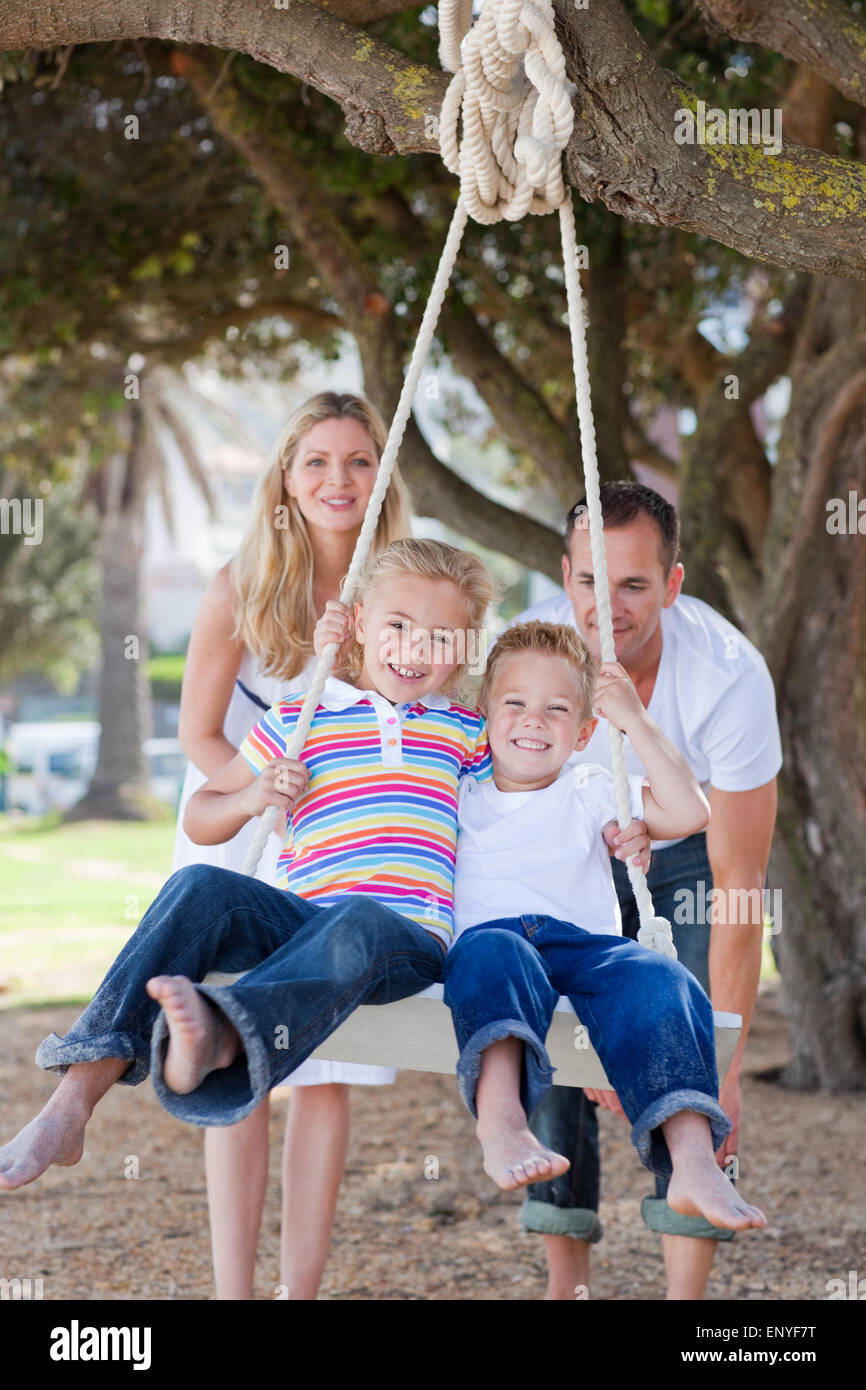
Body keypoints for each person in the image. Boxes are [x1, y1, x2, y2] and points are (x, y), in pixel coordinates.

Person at [0, 541, 492, 1209]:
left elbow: (541, 785)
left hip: (403, 939)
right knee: (201, 886)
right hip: (305, 926)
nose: (414, 647)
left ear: (464, 648)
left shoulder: (468, 730)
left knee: (357, 916)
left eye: (440, 636)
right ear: (357, 626)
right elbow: (203, 816)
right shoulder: (300, 717)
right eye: (398, 625)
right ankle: (70, 1103)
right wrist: (252, 799)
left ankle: (224, 1032)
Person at [514, 482, 781, 1300]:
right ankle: (567, 1285)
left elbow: (740, 886)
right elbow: (508, 832)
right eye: (591, 582)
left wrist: (727, 1062)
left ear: (672, 583)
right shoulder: (525, 658)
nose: (609, 606)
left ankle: (686, 1304)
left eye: (634, 584)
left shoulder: (730, 677)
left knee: (695, 1073)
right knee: (553, 1052)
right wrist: (590, 1027)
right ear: (566, 575)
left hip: (691, 862)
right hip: (572, 863)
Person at [171, 390, 411, 1298]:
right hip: (242, 821)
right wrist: (256, 793)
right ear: (286, 475)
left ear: (381, 477)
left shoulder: (400, 590)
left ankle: (296, 1295)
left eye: (358, 461)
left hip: (346, 830)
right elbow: (199, 738)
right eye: (316, 461)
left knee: (321, 1067)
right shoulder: (239, 585)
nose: (337, 479)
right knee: (236, 1050)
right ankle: (234, 1292)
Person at [442, 621, 765, 1236]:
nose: (533, 720)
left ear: (586, 731)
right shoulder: (455, 790)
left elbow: (691, 811)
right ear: (483, 714)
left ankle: (693, 1161)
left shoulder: (592, 788)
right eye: (515, 703)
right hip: (494, 943)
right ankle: (502, 1120)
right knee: (491, 954)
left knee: (657, 974)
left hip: (582, 946)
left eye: (557, 709)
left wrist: (636, 722)